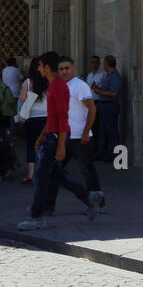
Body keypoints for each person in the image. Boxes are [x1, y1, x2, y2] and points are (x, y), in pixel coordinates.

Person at [18, 52, 101, 230]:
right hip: (53, 136)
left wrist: (61, 144)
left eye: (40, 65)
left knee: (41, 177)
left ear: (47, 67)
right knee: (55, 175)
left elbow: (63, 117)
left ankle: (37, 216)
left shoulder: (59, 87)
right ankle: (88, 197)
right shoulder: (54, 86)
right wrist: (42, 135)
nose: (38, 68)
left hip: (57, 138)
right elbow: (53, 116)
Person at [57, 57, 104, 206]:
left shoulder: (80, 86)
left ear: (73, 68)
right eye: (61, 69)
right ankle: (46, 205)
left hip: (79, 138)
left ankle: (98, 203)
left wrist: (86, 132)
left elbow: (92, 108)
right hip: (64, 136)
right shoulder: (60, 86)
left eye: (67, 68)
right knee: (53, 171)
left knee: (88, 171)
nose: (64, 71)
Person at [17, 55, 48, 184]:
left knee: (31, 145)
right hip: (46, 117)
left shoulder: (28, 82)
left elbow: (22, 98)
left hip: (31, 117)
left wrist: (31, 97)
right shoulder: (47, 81)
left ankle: (31, 173)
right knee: (45, 145)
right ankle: (45, 172)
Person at [90, 55, 123, 161]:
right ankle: (105, 154)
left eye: (104, 63)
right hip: (104, 105)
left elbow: (114, 93)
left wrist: (97, 90)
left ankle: (116, 155)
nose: (103, 65)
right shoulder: (108, 75)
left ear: (107, 64)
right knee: (103, 131)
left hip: (110, 106)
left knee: (111, 131)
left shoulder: (115, 76)